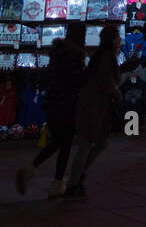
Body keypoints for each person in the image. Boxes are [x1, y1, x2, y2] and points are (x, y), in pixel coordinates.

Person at [15, 21, 87, 198]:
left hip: (53, 102)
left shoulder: (58, 52)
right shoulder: (75, 55)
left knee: (59, 142)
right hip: (66, 103)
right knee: (64, 144)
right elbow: (77, 81)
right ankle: (53, 181)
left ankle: (35, 171)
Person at [64, 24, 124, 199]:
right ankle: (74, 182)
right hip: (93, 106)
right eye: (117, 37)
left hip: (95, 105)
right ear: (111, 39)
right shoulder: (106, 56)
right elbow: (106, 82)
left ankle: (77, 177)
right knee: (88, 144)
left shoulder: (102, 55)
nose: (119, 40)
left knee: (96, 143)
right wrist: (117, 93)